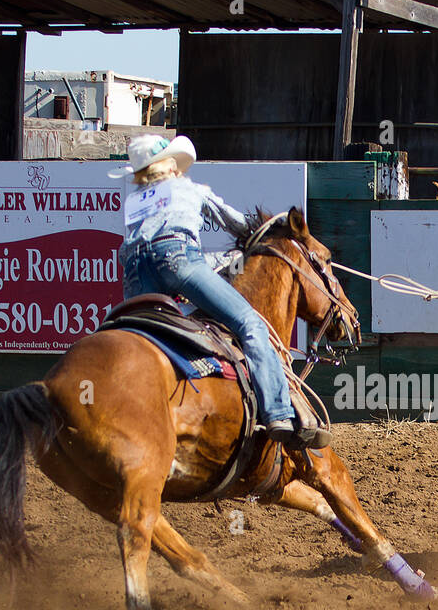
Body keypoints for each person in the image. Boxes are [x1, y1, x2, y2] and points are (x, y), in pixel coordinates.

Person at [113, 134, 329, 448]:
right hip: (178, 259)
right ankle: (278, 413)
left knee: (138, 336)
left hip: (134, 271)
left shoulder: (134, 203)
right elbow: (240, 227)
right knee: (250, 324)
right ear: (169, 167)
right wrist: (271, 231)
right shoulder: (189, 189)